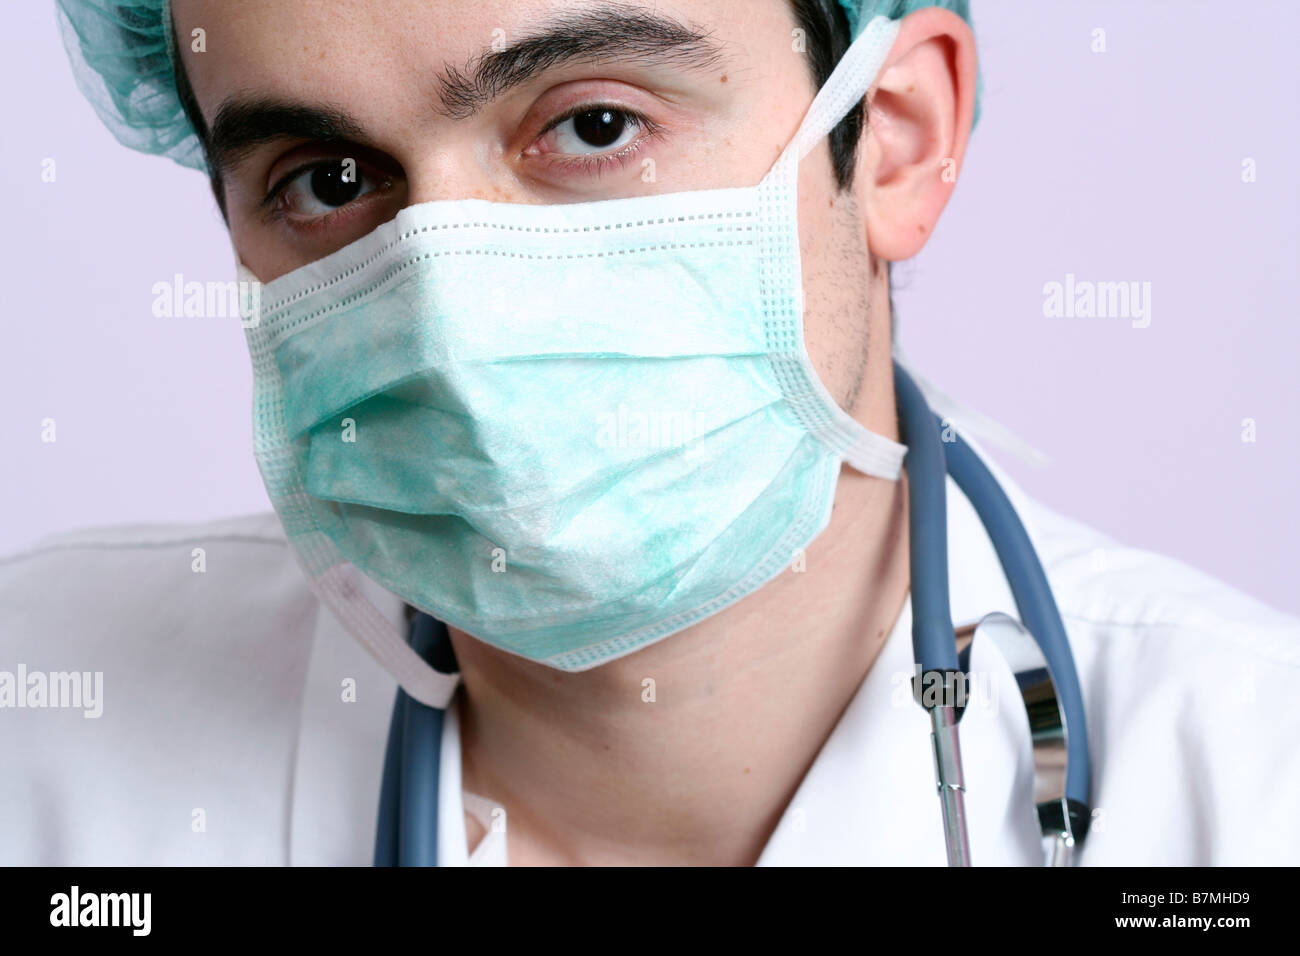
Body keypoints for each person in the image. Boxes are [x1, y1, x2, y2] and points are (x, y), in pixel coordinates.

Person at [3, 0, 1295, 867]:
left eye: (593, 124)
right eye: (328, 183)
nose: (449, 319)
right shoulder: (44, 739)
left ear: (896, 142)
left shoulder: (1250, 785)